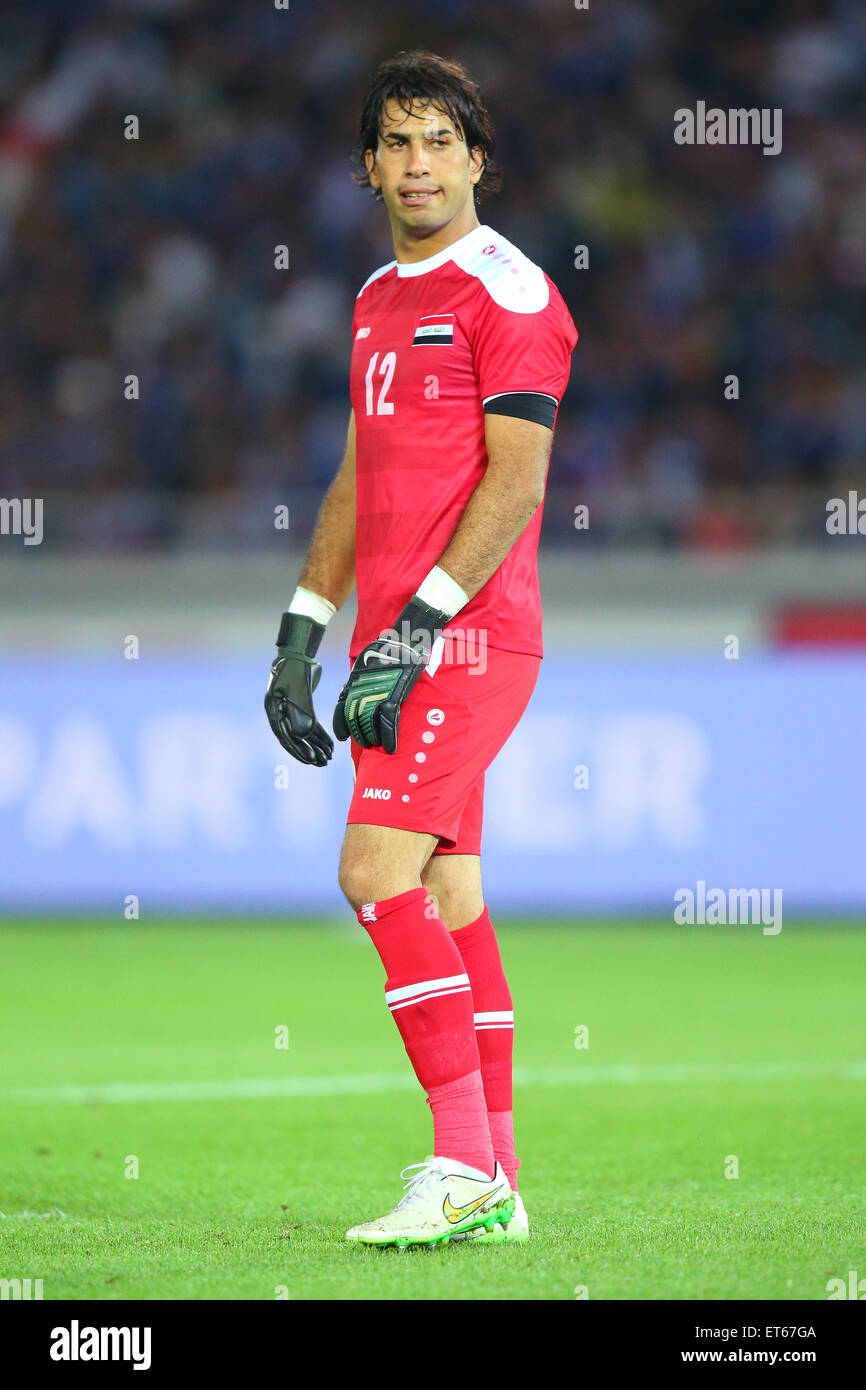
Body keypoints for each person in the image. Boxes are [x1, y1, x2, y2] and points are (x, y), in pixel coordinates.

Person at [265, 49, 577, 1248]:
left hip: (465, 634)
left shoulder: (508, 293)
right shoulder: (373, 300)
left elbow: (516, 486)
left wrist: (413, 632)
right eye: (395, 142)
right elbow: (361, 470)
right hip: (401, 636)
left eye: (438, 139)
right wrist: (304, 630)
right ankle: (498, 1184)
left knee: (369, 874)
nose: (417, 163)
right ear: (367, 166)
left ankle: (459, 1167)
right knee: (448, 891)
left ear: (477, 159)